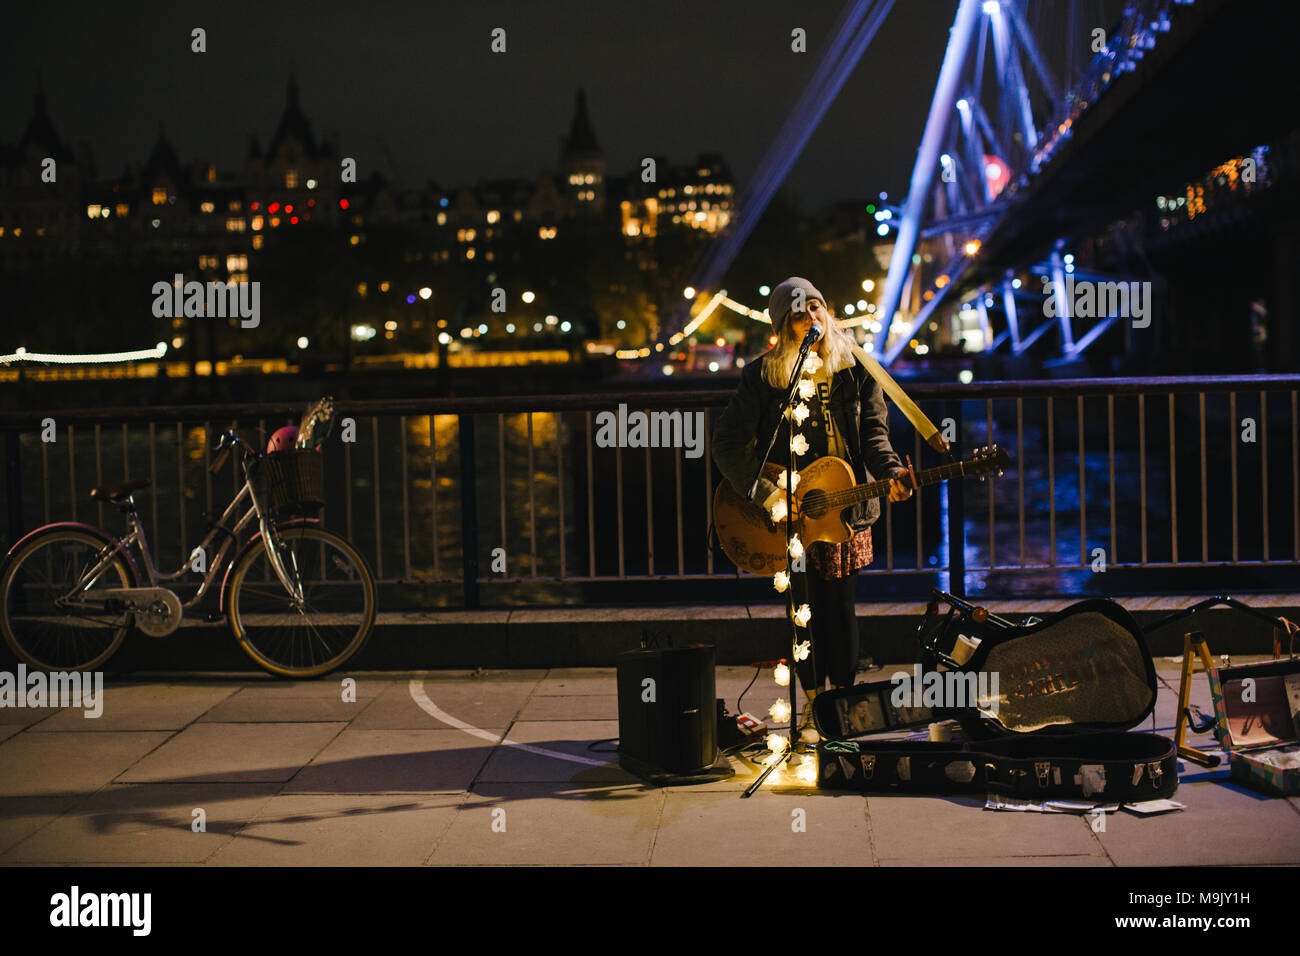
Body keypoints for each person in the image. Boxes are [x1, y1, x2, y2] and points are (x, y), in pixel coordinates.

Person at [712, 276, 914, 735]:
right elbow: (726, 444)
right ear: (785, 325)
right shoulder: (764, 376)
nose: (812, 319)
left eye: (817, 308)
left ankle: (843, 709)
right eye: (800, 313)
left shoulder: (856, 367)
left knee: (840, 609)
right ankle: (812, 705)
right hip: (788, 517)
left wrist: (890, 474)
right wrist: (765, 494)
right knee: (803, 612)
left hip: (844, 511)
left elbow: (874, 436)